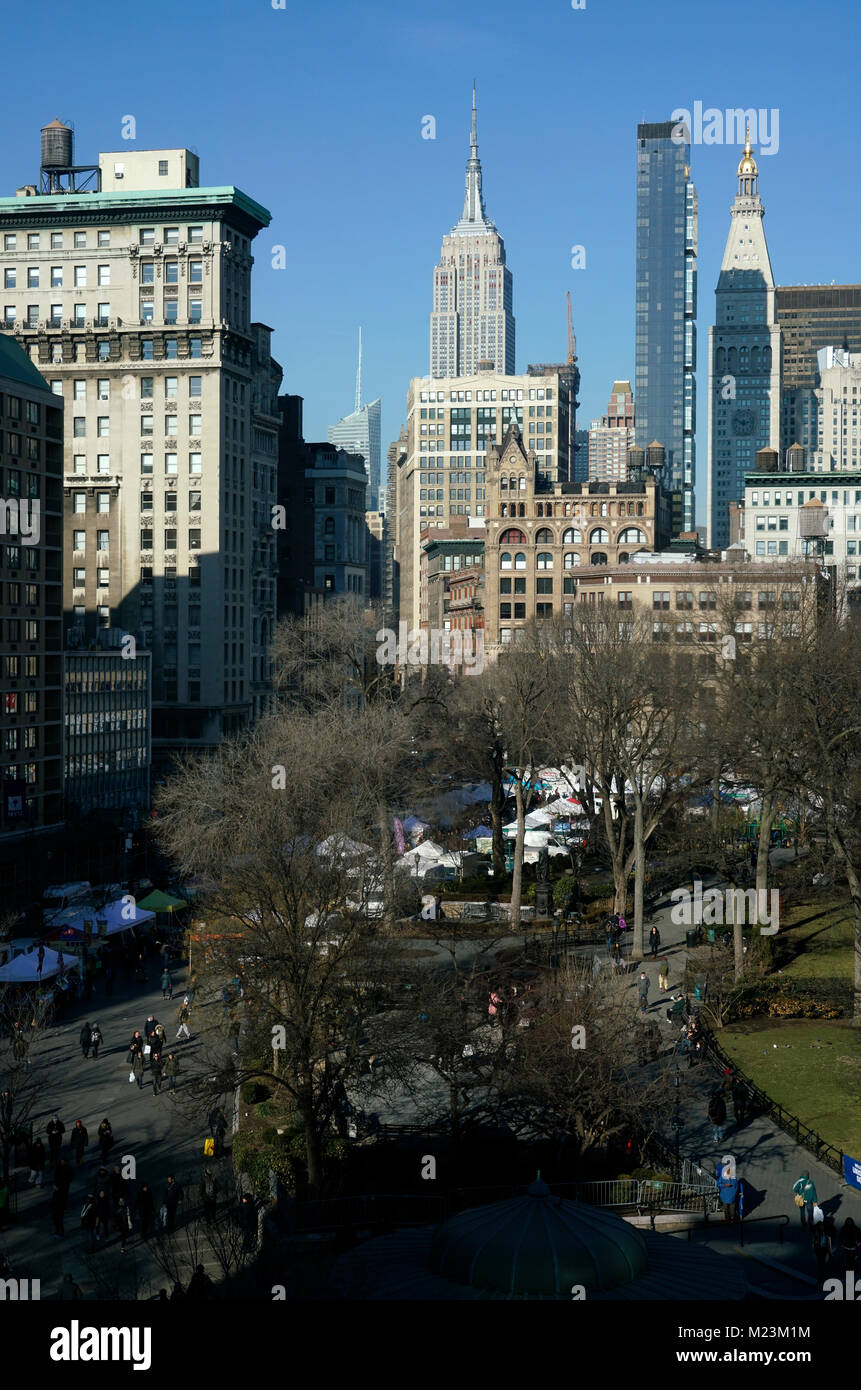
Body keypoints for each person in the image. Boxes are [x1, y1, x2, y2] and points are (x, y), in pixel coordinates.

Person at [716, 1154, 739, 1222]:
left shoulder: (732, 1177)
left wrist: (724, 1185)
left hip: (728, 1195)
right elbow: (718, 1184)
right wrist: (725, 1185)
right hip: (728, 1195)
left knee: (728, 1208)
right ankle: (730, 1218)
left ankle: (730, 1218)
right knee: (729, 1207)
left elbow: (718, 1184)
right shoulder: (730, 1177)